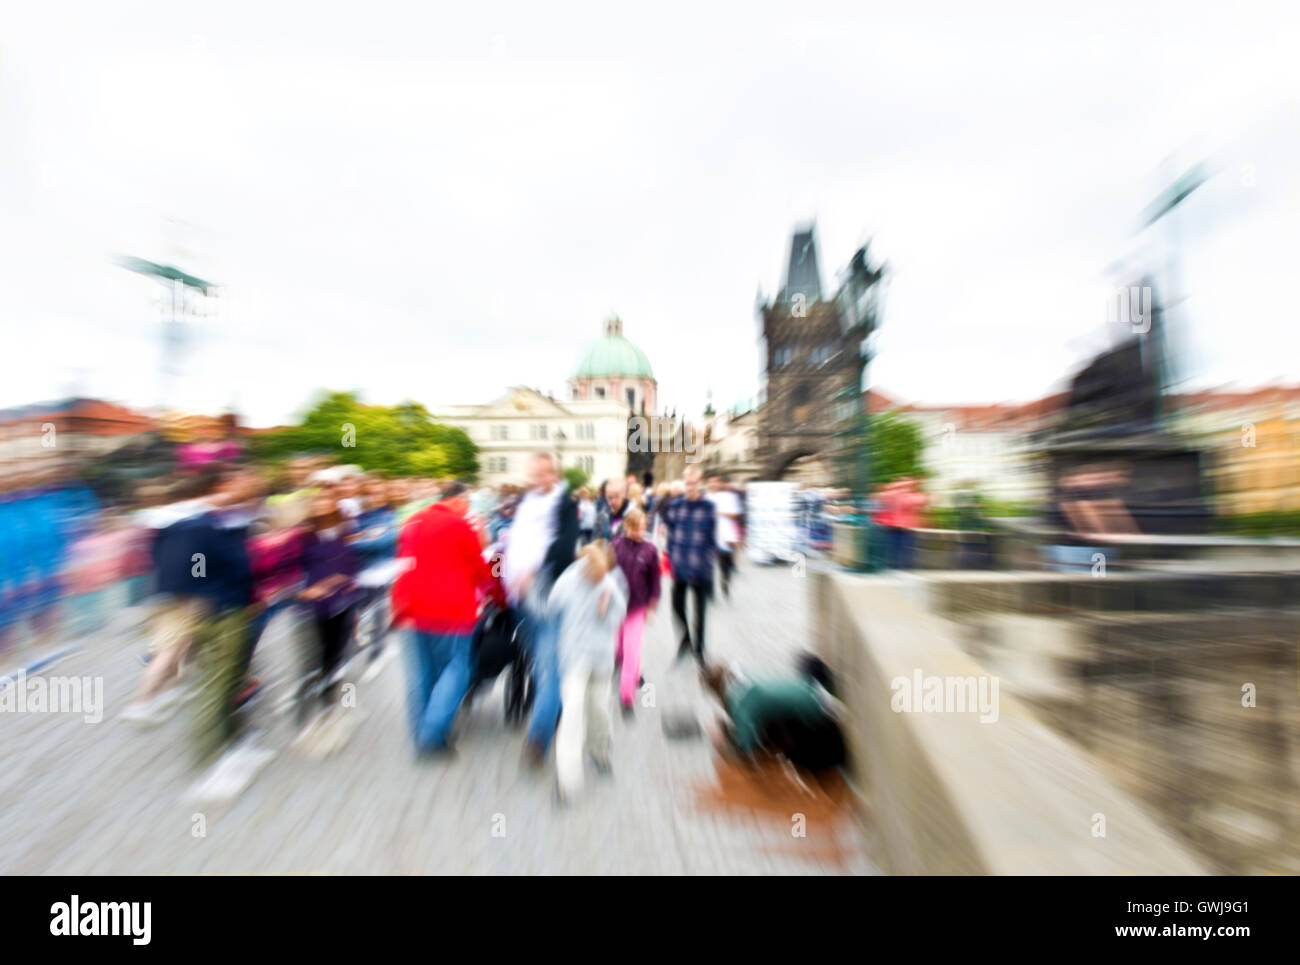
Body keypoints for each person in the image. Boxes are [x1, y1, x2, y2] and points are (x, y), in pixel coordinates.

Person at [391, 480, 501, 753]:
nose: (467, 509)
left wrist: (399, 606)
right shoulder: (459, 525)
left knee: (422, 673)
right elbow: (479, 569)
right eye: (466, 503)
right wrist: (498, 595)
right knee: (456, 669)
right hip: (453, 610)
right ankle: (432, 733)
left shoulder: (412, 522)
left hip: (413, 610)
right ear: (458, 500)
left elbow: (404, 564)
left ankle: (422, 732)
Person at [501, 452, 578, 765]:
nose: (539, 479)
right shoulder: (527, 501)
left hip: (545, 596)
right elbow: (514, 542)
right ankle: (553, 711)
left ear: (555, 475)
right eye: (535, 474)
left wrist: (534, 570)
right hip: (519, 601)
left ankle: (538, 738)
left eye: (545, 474)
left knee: (549, 667)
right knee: (537, 663)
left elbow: (566, 546)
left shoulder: (565, 503)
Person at [548, 542, 627, 801]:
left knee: (573, 714)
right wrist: (604, 612)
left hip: (574, 656)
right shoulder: (610, 583)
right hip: (602, 656)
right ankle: (601, 755)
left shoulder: (569, 578)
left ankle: (567, 781)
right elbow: (619, 617)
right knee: (599, 708)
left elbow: (551, 606)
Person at [700, 652, 846, 772]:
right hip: (817, 689)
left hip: (825, 723)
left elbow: (747, 749)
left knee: (781, 741)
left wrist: (724, 743)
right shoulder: (742, 672)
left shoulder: (740, 703)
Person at [296, 491, 362, 738]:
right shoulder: (304, 533)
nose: (321, 503)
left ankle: (329, 700)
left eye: (326, 499)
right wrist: (303, 590)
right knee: (314, 654)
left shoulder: (344, 529)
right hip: (313, 602)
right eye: (317, 498)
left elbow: (352, 562)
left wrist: (349, 582)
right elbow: (293, 566)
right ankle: (307, 701)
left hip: (342, 600)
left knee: (336, 652)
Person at [663, 466, 716, 664]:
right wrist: (670, 555)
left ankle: (699, 650)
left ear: (700, 483)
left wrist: (708, 563)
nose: (690, 487)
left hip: (700, 567)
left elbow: (711, 539)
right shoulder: (677, 506)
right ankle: (685, 638)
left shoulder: (708, 507)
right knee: (676, 606)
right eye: (687, 483)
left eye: (693, 483)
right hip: (680, 566)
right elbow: (670, 532)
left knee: (700, 612)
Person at [611, 507, 660, 715]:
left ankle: (627, 697)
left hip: (637, 608)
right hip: (616, 608)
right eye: (636, 529)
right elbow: (605, 574)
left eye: (643, 528)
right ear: (626, 527)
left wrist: (652, 606)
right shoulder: (615, 547)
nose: (641, 532)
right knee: (619, 649)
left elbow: (655, 581)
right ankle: (635, 673)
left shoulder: (650, 550)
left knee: (632, 650)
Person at [707, 475, 743, 599]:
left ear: (720, 483)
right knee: (708, 564)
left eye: (716, 482)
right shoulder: (705, 497)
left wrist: (720, 513)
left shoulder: (730, 497)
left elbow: (736, 515)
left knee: (725, 564)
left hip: (726, 534)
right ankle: (710, 590)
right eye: (711, 482)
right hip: (709, 535)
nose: (713, 484)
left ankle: (725, 583)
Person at [595, 477, 628, 541]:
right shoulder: (602, 516)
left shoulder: (632, 514)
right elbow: (595, 541)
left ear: (624, 495)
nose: (613, 501)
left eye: (616, 497)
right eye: (610, 498)